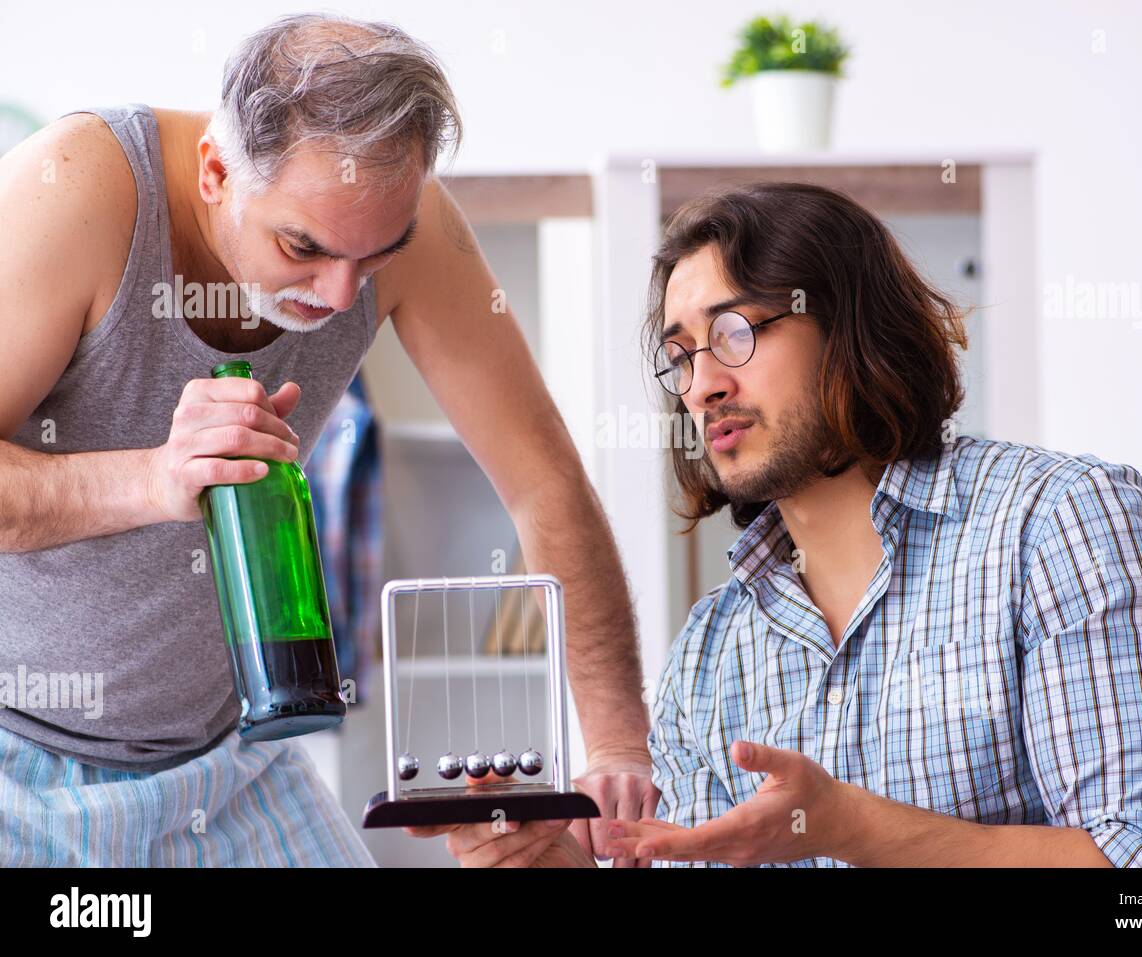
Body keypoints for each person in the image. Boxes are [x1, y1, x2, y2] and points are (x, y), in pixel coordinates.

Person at [414, 182, 1142, 867]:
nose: (701, 384)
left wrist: (850, 824)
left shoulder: (1065, 526)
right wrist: (550, 861)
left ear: (848, 327)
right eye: (681, 354)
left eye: (735, 333)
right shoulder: (711, 649)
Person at [0, 13, 655, 866]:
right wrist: (155, 480)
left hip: (226, 762)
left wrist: (615, 745)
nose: (342, 297)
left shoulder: (399, 224)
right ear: (215, 171)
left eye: (374, 258)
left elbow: (544, 485)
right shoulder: (73, 189)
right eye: (301, 247)